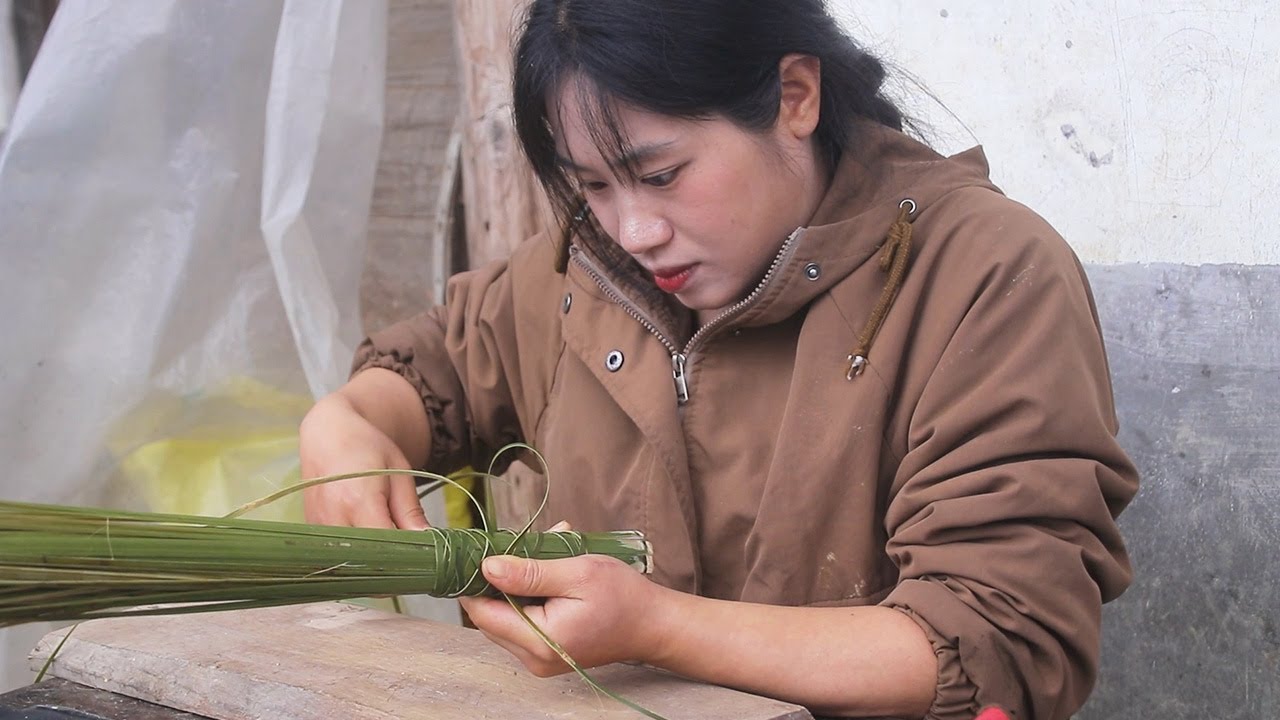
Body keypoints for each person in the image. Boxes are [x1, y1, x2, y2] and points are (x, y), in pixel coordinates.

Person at [300, 1, 1138, 718]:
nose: (634, 230)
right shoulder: (583, 272)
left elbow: (999, 638)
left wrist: (657, 627)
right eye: (592, 187)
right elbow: (443, 359)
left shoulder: (986, 275)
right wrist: (351, 419)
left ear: (794, 96)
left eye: (660, 174)